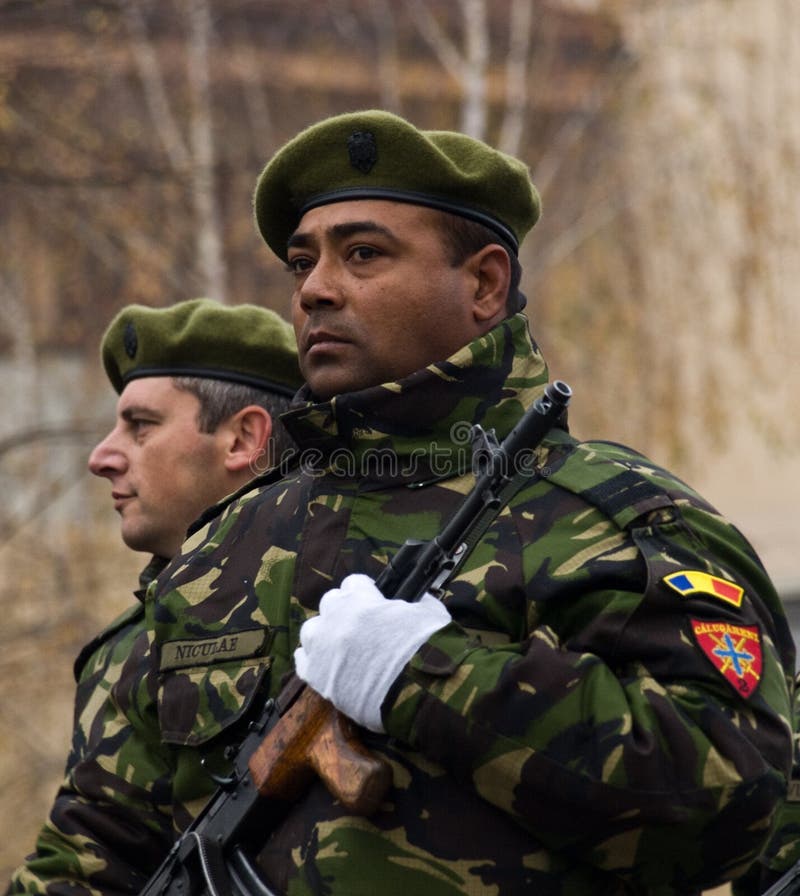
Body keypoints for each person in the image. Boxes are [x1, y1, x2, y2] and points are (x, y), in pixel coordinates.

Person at [11, 111, 794, 896]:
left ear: (484, 284)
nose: (316, 289)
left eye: (363, 254)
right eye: (301, 264)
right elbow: (101, 843)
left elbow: (732, 801)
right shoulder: (230, 549)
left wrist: (425, 675)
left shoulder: (618, 520)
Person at [6, 298, 302, 896]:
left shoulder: (343, 593)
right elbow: (87, 861)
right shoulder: (129, 652)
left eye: (140, 427)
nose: (101, 457)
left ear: (243, 437)